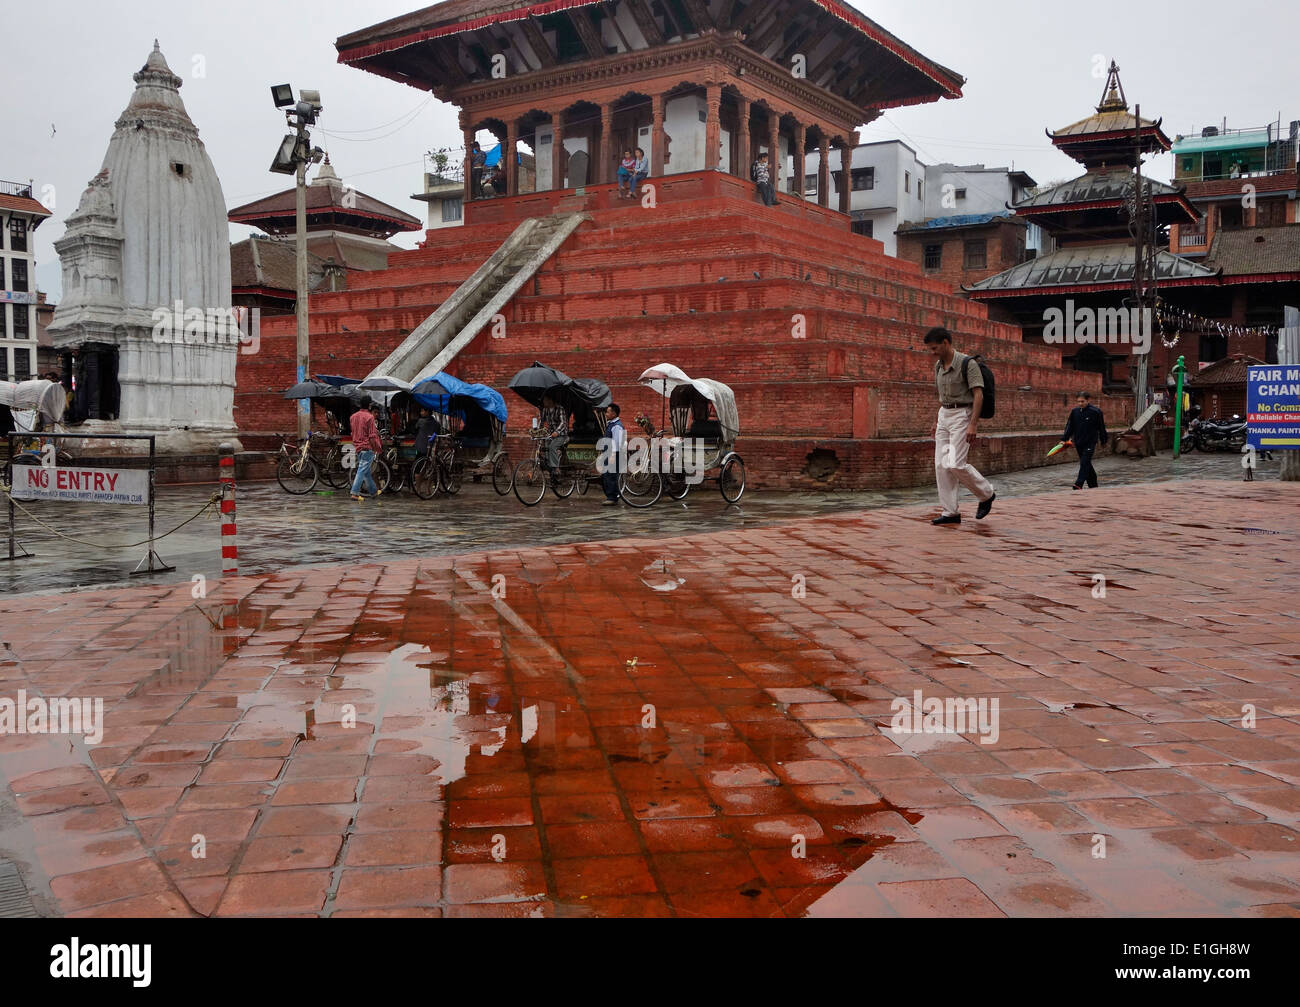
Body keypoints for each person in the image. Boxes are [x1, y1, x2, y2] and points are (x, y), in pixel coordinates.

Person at [924, 326, 996, 525]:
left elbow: (978, 394)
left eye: (934, 348)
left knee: (955, 463)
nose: (932, 353)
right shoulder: (939, 366)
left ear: (946, 343)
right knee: (941, 465)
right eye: (930, 349)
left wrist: (973, 424)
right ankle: (950, 512)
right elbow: (941, 397)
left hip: (962, 415)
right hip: (944, 414)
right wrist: (936, 421)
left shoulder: (967, 363)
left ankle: (986, 494)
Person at [1062, 391, 1108, 490]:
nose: (1080, 404)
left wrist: (1103, 440)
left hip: (1090, 442)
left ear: (1088, 400)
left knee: (1084, 462)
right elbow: (1070, 426)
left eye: (1082, 401)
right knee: (1086, 463)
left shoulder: (1096, 412)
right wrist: (1064, 439)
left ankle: (1079, 484)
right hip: (1078, 442)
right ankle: (1093, 484)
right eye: (1078, 402)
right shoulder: (1075, 412)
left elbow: (1101, 427)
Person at [349, 398, 384, 501]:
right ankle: (354, 493)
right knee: (362, 470)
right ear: (369, 406)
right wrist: (377, 448)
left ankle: (373, 491)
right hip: (367, 447)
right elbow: (372, 436)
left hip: (358, 447)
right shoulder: (369, 417)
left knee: (366, 471)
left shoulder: (353, 417)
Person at [601, 404, 625, 505]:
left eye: (608, 412)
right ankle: (610, 496)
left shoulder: (616, 426)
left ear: (614, 413)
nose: (606, 414)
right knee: (606, 475)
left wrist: (613, 455)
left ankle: (612, 497)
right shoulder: (611, 424)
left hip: (613, 454)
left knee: (611, 476)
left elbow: (617, 442)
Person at [540, 393, 568, 472]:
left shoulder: (560, 408)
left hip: (561, 435)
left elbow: (563, 423)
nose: (543, 402)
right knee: (545, 447)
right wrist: (537, 431)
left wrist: (557, 432)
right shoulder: (545, 410)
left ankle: (556, 468)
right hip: (551, 435)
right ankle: (549, 464)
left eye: (545, 400)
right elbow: (541, 422)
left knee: (552, 447)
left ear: (550, 400)